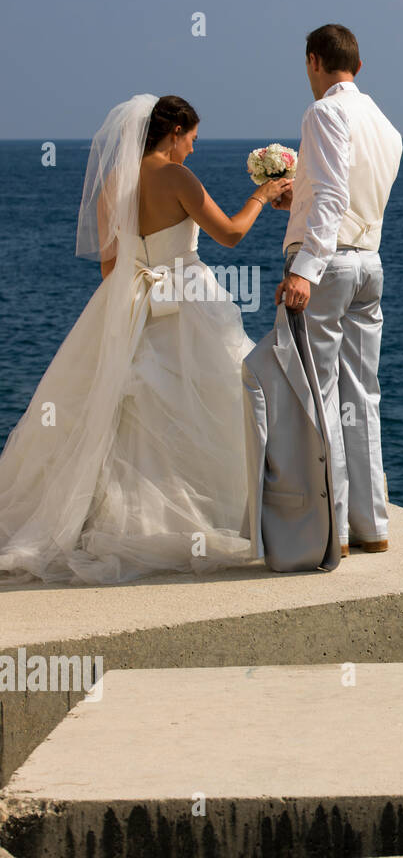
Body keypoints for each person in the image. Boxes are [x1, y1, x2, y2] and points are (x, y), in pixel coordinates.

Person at [0, 95, 289, 584]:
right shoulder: (176, 177)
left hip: (130, 299)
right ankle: (227, 518)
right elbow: (231, 234)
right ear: (174, 130)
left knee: (121, 409)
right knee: (213, 398)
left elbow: (110, 267)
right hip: (187, 295)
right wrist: (263, 196)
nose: (193, 151)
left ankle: (105, 523)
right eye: (192, 139)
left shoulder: (116, 182)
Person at [273, 23, 402, 556]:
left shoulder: (324, 113)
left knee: (319, 394)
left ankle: (333, 528)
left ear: (312, 61)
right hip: (369, 263)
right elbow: (343, 196)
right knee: (361, 396)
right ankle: (372, 525)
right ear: (359, 66)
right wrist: (296, 203)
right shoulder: (386, 125)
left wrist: (305, 267)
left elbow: (330, 195)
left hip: (329, 268)